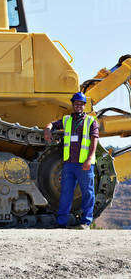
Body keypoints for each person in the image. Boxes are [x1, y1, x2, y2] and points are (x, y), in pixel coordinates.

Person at [44, 92, 99, 229]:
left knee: (88, 193)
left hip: (84, 164)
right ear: (73, 105)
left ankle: (86, 222)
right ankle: (62, 222)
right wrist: (47, 129)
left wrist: (90, 158)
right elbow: (52, 124)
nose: (78, 106)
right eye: (76, 104)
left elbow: (94, 140)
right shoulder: (67, 120)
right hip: (69, 164)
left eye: (81, 104)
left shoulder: (91, 121)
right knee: (66, 193)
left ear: (84, 106)